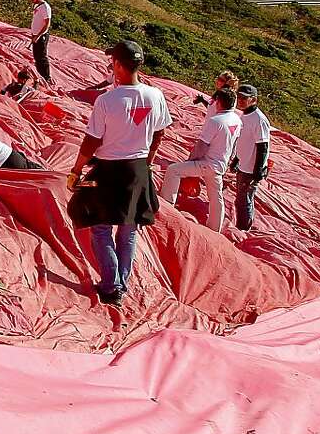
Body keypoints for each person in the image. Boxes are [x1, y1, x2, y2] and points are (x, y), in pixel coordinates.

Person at [72, 39, 172, 305]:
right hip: (138, 169)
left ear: (117, 64)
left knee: (100, 227)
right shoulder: (156, 95)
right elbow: (160, 133)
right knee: (129, 231)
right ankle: (121, 284)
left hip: (107, 171)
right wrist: (147, 160)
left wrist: (76, 170)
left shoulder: (107, 100)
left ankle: (110, 285)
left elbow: (91, 141)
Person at [162, 87, 241, 233]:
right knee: (216, 197)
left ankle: (166, 209)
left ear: (218, 102)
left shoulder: (215, 121)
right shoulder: (236, 120)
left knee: (173, 171)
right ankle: (214, 229)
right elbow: (235, 145)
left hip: (206, 163)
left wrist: (190, 161)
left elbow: (202, 146)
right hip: (220, 165)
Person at [229, 84, 273, 231]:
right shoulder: (245, 115)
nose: (240, 100)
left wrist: (258, 170)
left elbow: (263, 146)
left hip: (250, 169)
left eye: (244, 98)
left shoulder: (259, 120)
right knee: (240, 199)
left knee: (244, 200)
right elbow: (243, 141)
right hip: (244, 164)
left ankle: (243, 229)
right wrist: (236, 159)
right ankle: (242, 226)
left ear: (253, 100)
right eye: (238, 97)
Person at [28, 0, 53, 82]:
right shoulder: (36, 6)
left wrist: (38, 35)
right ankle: (39, 74)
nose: (32, 1)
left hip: (41, 35)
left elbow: (47, 24)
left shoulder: (45, 7)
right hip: (35, 34)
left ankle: (46, 77)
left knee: (42, 56)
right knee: (36, 56)